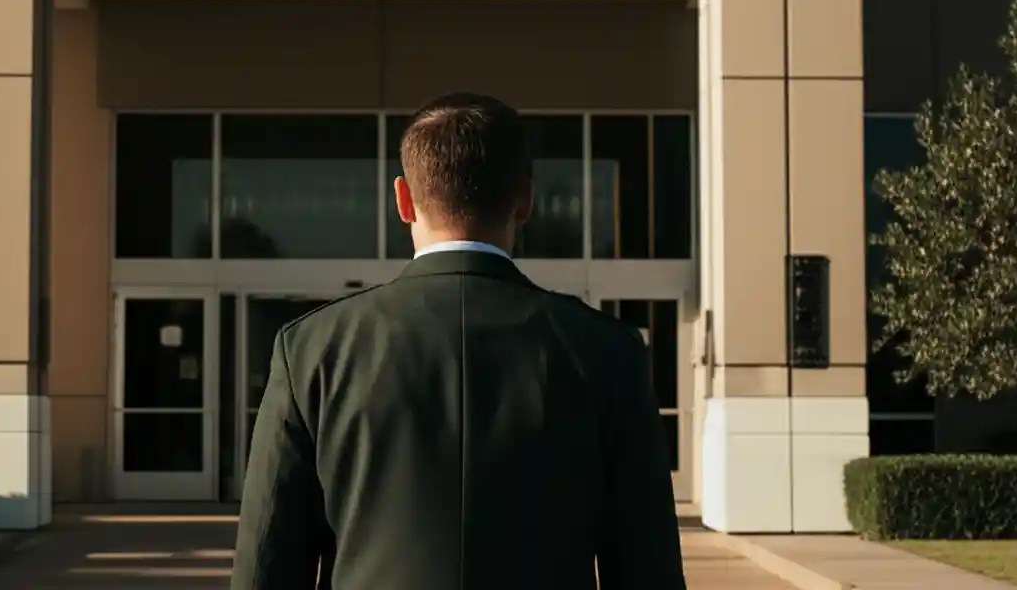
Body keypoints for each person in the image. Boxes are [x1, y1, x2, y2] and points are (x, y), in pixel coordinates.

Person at [232, 92, 686, 589]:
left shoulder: (312, 350)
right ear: (525, 200)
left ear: (403, 199)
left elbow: (266, 568)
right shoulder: (609, 352)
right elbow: (649, 569)